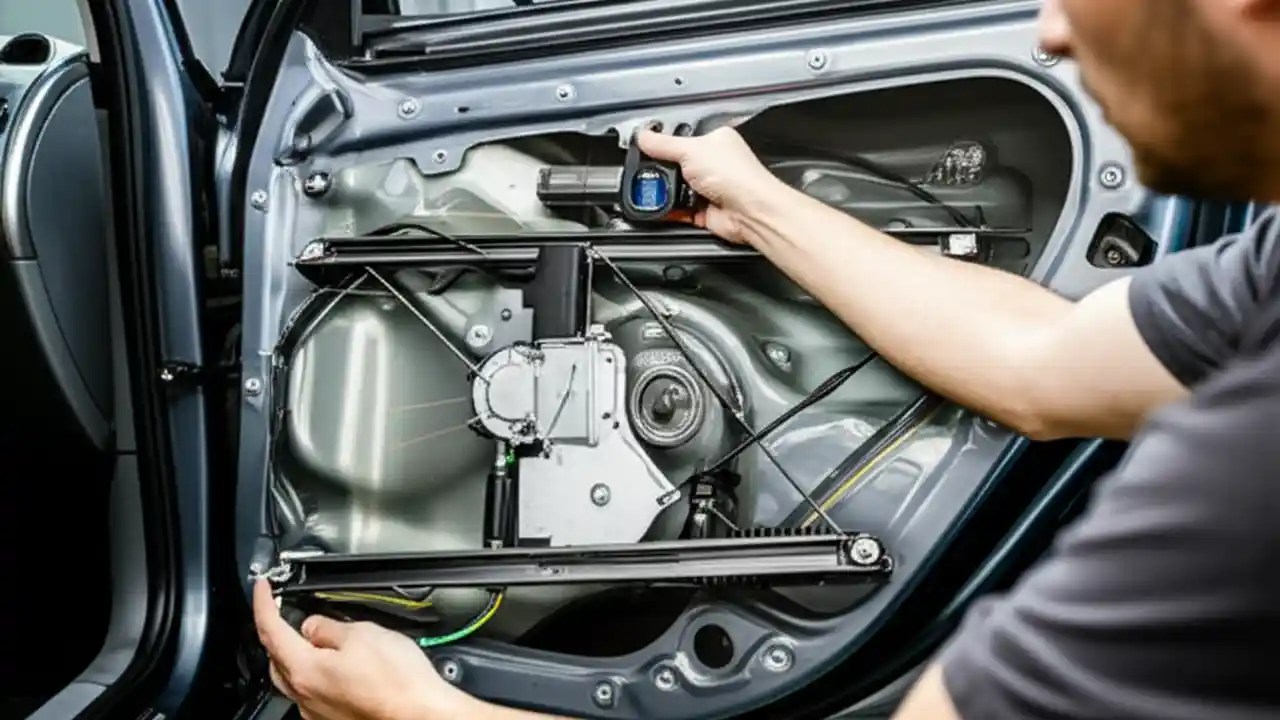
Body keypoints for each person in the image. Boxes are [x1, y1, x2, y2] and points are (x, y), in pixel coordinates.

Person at [253, 0, 1280, 717]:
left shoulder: (1247, 464)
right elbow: (1039, 361)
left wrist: (422, 715)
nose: (1050, 27)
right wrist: (759, 209)